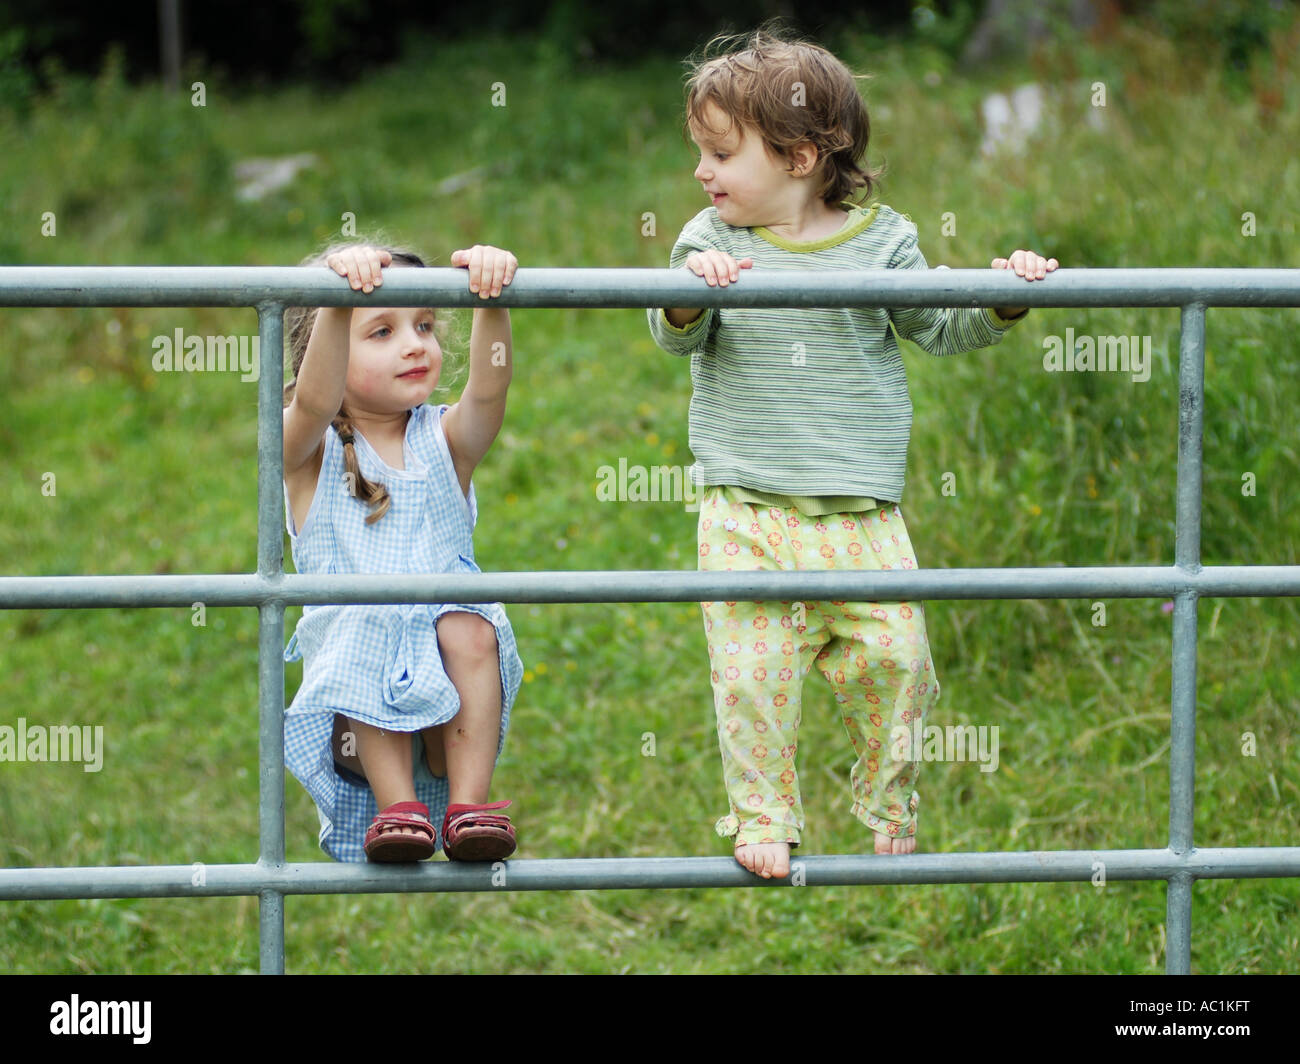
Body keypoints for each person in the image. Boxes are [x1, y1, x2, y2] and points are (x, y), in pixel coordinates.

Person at [647, 27, 1058, 879]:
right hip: (747, 507)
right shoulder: (708, 240)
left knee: (899, 659)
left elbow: (939, 327)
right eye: (700, 153)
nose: (701, 172)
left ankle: (888, 794)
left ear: (800, 157)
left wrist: (1006, 299)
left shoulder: (883, 243)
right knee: (752, 678)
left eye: (721, 154)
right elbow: (672, 335)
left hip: (862, 509)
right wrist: (689, 297)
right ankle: (763, 816)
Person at [282, 240, 523, 863]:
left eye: (423, 325)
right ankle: (398, 811)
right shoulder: (308, 453)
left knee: (473, 625)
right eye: (382, 331)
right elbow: (312, 400)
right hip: (360, 708)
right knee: (364, 615)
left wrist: (489, 299)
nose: (414, 344)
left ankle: (469, 808)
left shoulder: (445, 441)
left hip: (449, 683)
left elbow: (490, 392)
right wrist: (337, 305)